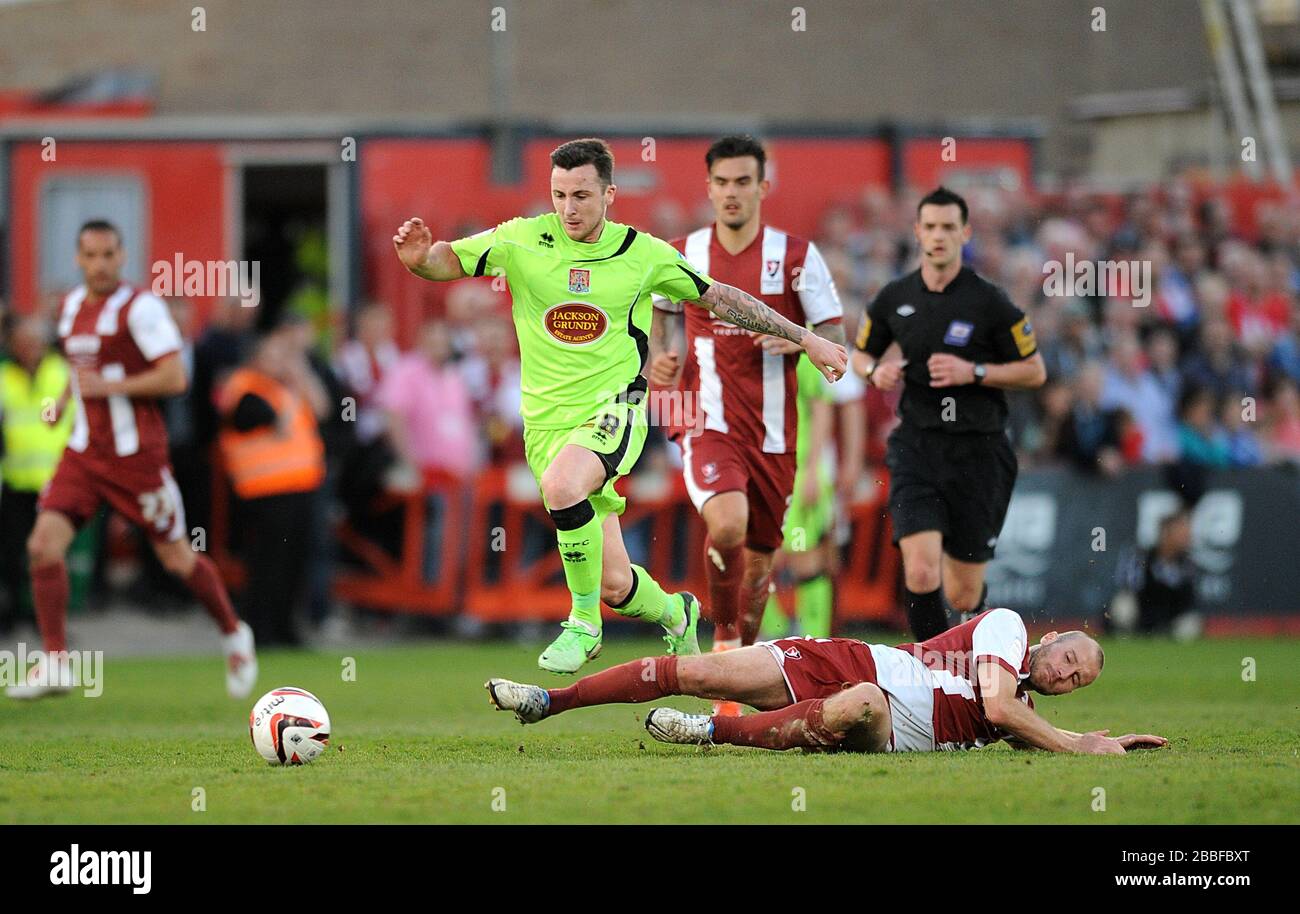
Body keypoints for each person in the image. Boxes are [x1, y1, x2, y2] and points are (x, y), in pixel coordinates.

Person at [393, 137, 847, 674]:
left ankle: (582, 626)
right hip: (546, 424)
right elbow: (448, 261)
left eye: (582, 195)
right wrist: (420, 259)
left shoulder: (643, 253)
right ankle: (677, 614)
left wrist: (808, 337)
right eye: (559, 194)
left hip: (618, 408)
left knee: (564, 487)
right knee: (614, 582)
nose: (569, 208)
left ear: (609, 194)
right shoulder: (521, 240)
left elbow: (723, 298)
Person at [9, 220, 257, 699]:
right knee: (42, 545)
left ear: (122, 257)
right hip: (83, 453)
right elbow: (81, 370)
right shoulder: (71, 308)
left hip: (136, 458)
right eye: (90, 255)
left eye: (108, 255)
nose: (99, 264)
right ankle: (57, 659)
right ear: (78, 259)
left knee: (176, 557)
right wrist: (62, 401)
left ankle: (233, 632)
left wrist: (114, 387)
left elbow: (175, 377)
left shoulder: (141, 308)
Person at [646, 135, 848, 711]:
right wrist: (663, 358)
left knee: (760, 564)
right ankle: (724, 643)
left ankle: (741, 680)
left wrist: (793, 344)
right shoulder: (681, 253)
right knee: (727, 524)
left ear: (763, 186)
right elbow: (663, 322)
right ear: (707, 188)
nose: (731, 193)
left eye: (743, 182)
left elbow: (835, 341)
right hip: (705, 421)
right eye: (721, 183)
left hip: (777, 436)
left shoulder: (798, 256)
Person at [486, 607, 1168, 755]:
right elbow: (1002, 707)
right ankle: (551, 700)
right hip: (851, 660)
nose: (1066, 675)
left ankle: (712, 733)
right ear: (1053, 639)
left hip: (884, 724)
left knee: (863, 707)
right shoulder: (1008, 632)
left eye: (1077, 682)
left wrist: (1092, 738)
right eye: (1070, 659)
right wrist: (1081, 746)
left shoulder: (1025, 710)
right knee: (693, 669)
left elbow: (1024, 723)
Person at [850, 188, 1047, 640]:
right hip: (917, 447)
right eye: (930, 227)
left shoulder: (990, 303)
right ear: (918, 233)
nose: (938, 236)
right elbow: (860, 355)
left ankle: (973, 664)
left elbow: (1035, 371)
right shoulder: (893, 298)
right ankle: (933, 678)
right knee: (919, 570)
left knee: (962, 592)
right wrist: (876, 370)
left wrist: (973, 371)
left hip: (979, 451)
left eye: (948, 227)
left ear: (965, 233)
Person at [217, 323, 327, 647]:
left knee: (294, 564)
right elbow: (260, 419)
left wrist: (301, 374)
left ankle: (285, 628)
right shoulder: (243, 385)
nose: (281, 361)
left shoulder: (285, 389)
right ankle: (259, 630)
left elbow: (323, 408)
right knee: (267, 564)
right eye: (275, 355)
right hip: (265, 490)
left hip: (300, 487)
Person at [0, 317, 73, 635]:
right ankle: (14, 612)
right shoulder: (4, 377)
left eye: (33, 342)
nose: (27, 349)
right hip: (15, 480)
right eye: (21, 343)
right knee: (13, 553)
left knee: (50, 554)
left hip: (53, 482)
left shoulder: (61, 374)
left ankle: (48, 620)